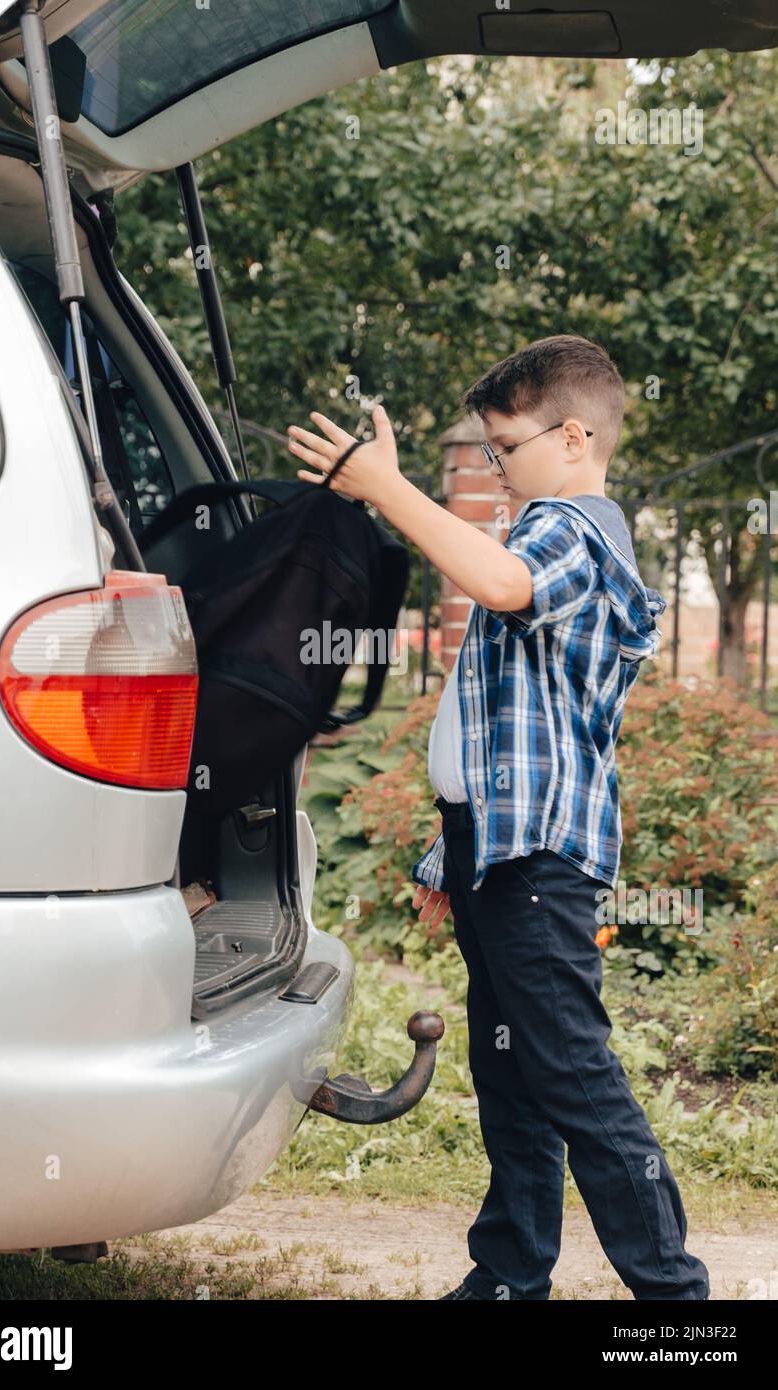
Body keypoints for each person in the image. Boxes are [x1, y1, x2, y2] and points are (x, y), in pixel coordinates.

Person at [286, 333, 710, 1302]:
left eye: (502, 449)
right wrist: (453, 854)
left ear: (570, 437)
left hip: (538, 866)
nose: (492, 469)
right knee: (512, 1075)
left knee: (570, 1073)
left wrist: (385, 489)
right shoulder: (538, 528)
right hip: (497, 854)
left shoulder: (573, 527)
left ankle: (675, 1300)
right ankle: (511, 1274)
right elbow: (498, 728)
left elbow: (501, 585)